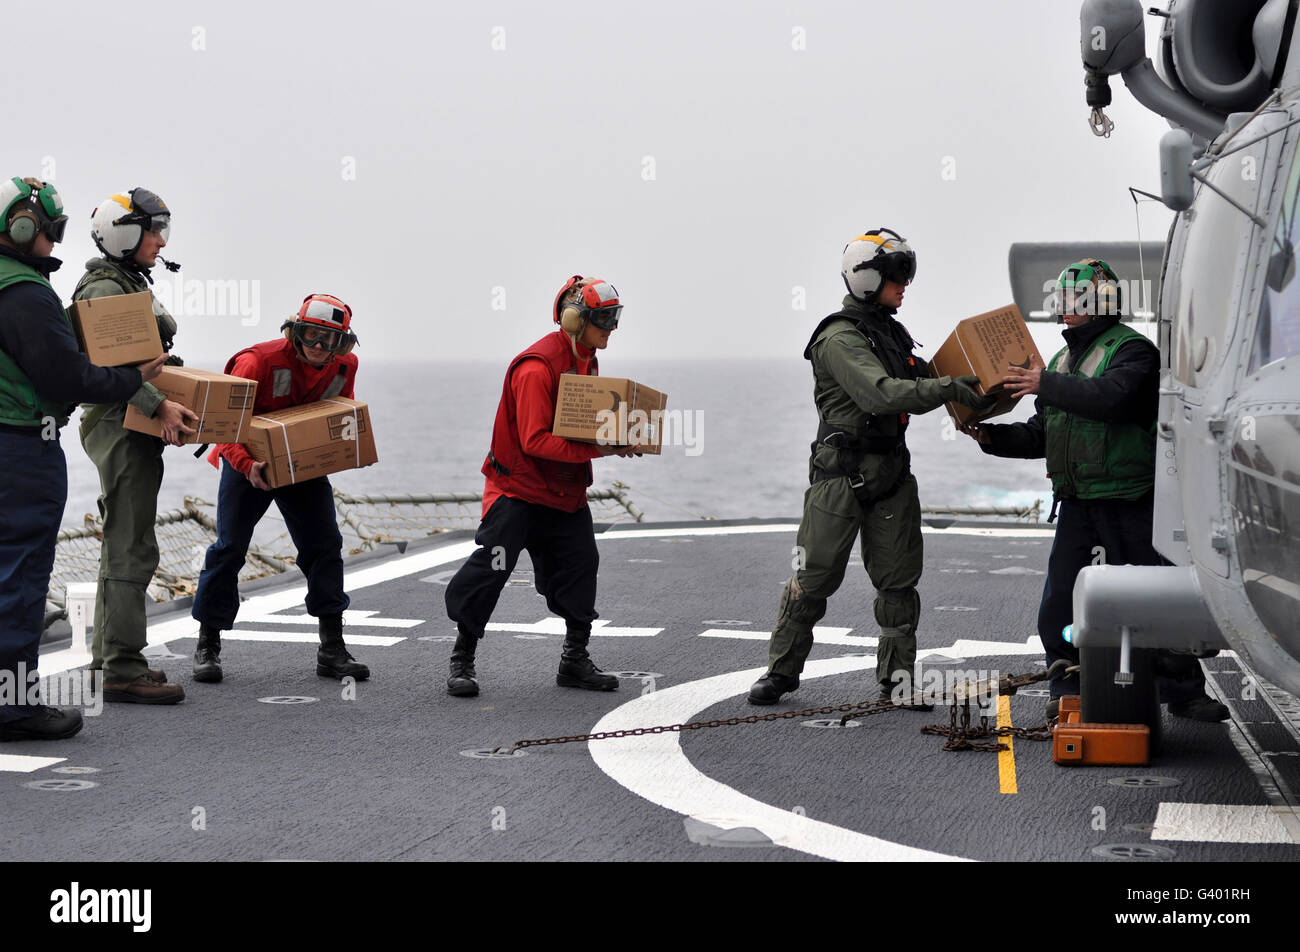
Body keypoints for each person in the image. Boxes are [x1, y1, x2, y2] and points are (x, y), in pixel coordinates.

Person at [963, 258, 1228, 721]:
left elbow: (1113, 398)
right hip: (1079, 504)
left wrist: (1044, 382)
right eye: (1062, 299)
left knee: (1155, 597)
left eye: (1071, 300)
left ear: (1098, 304)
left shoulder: (1134, 351)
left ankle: (1182, 688)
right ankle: (1066, 684)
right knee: (1061, 602)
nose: (1062, 307)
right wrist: (991, 438)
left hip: (1131, 501)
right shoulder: (1062, 362)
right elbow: (1041, 434)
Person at [748, 230, 993, 707]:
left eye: (906, 274)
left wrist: (979, 382)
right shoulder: (839, 338)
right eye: (897, 275)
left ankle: (897, 679)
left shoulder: (888, 331)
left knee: (899, 583)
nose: (905, 285)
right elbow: (880, 393)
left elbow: (915, 373)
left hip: (891, 477)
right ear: (866, 279)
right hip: (840, 480)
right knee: (813, 580)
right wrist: (949, 388)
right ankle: (780, 671)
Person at [0, 175, 166, 740]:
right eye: (52, 229)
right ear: (24, 228)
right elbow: (63, 374)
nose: (54, 240)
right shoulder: (24, 292)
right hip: (21, 447)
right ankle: (15, 705)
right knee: (21, 576)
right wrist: (130, 384)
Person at [443, 275, 641, 698]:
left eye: (614, 318)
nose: (610, 328)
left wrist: (618, 438)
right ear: (575, 319)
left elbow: (577, 427)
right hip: (517, 490)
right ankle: (462, 657)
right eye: (603, 319)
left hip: (563, 491)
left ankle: (574, 660)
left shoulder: (587, 358)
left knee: (582, 564)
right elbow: (535, 441)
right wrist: (605, 450)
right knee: (493, 569)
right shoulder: (536, 368)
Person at [190, 293, 369, 684]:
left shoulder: (346, 365)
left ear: (343, 343)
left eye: (329, 340)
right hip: (247, 463)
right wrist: (246, 465)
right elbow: (224, 424)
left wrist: (334, 453)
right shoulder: (257, 361)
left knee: (325, 547)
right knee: (229, 548)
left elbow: (340, 411)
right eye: (310, 335)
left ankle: (332, 648)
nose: (318, 347)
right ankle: (208, 644)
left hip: (299, 464)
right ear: (295, 331)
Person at [74, 189, 197, 705]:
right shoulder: (104, 288)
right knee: (131, 543)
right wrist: (159, 405)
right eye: (151, 230)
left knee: (124, 538)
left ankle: (108, 659)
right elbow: (111, 370)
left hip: (129, 421)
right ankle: (123, 667)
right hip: (121, 423)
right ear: (124, 233)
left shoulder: (124, 282)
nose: (160, 240)